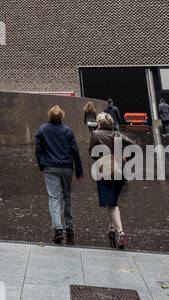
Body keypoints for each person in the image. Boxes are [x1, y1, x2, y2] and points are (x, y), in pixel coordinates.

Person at [35, 104, 84, 245]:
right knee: (67, 196)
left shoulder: (42, 130)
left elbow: (38, 150)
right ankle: (69, 227)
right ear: (61, 116)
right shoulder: (68, 131)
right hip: (67, 167)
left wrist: (41, 165)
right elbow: (75, 151)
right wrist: (79, 171)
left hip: (50, 167)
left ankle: (58, 230)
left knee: (54, 198)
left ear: (49, 115)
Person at [90, 112, 138, 249]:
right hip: (120, 171)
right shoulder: (117, 134)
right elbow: (133, 146)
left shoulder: (96, 134)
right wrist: (125, 159)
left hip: (105, 171)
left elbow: (91, 152)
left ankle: (120, 232)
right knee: (111, 200)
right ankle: (111, 229)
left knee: (112, 204)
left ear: (100, 123)